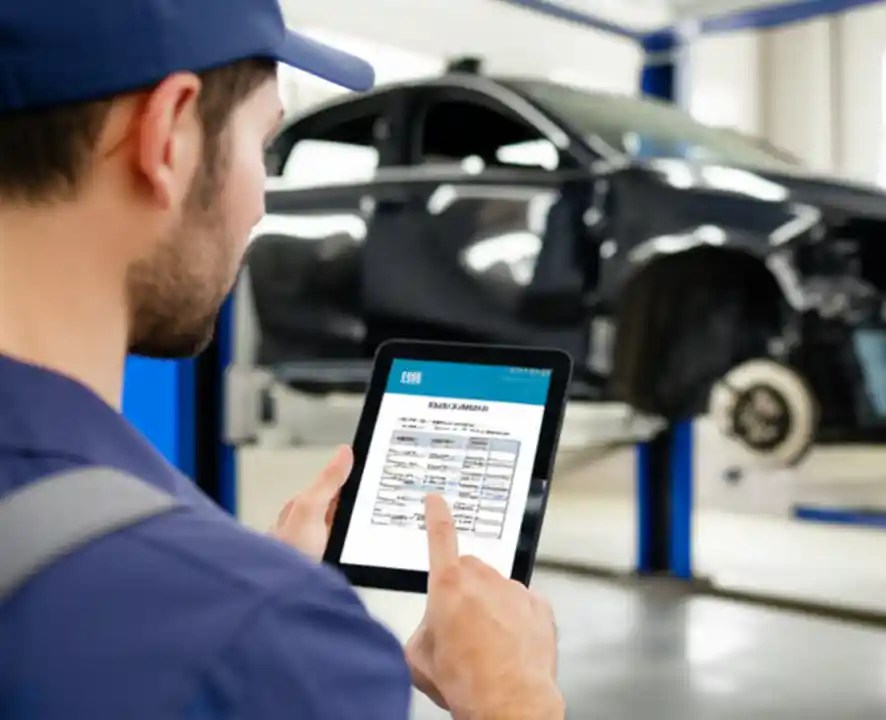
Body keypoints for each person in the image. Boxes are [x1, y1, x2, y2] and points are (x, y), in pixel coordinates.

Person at [0, 1, 564, 718]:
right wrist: (515, 696)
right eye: (262, 144)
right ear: (167, 135)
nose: (262, 202)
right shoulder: (271, 646)